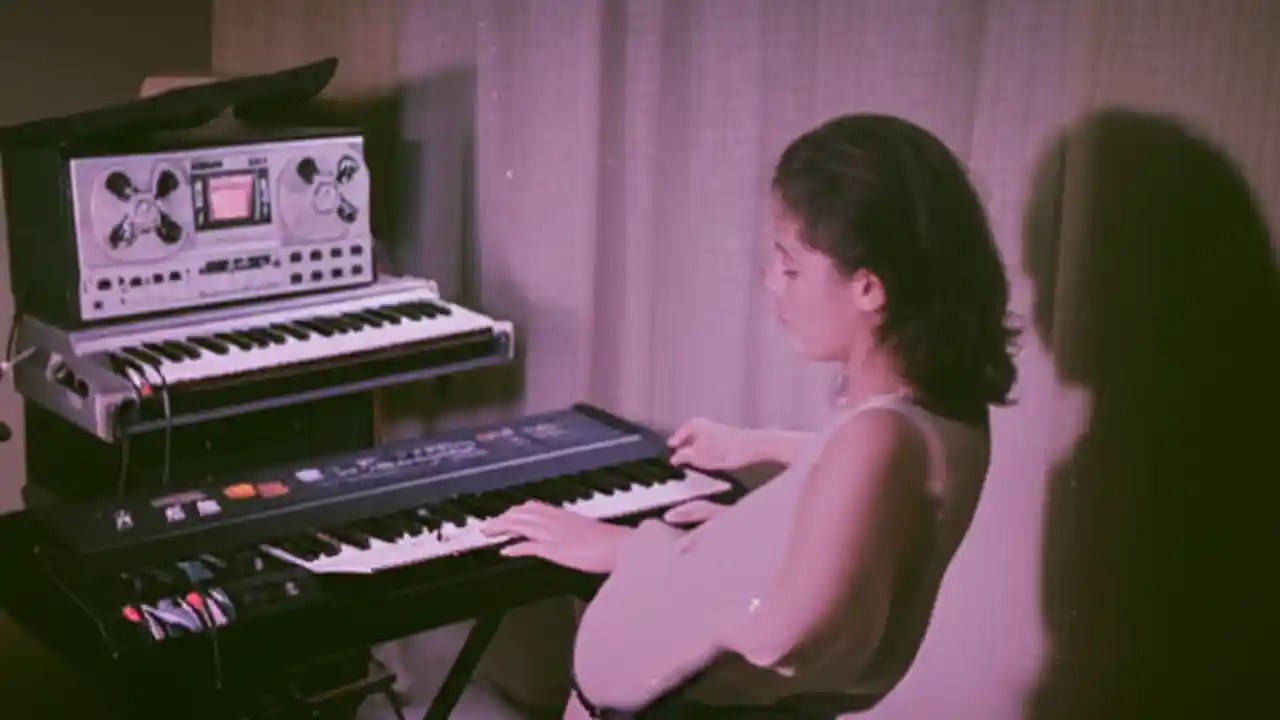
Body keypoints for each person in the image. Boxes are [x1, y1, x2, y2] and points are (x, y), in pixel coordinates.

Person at [481, 113, 1019, 718]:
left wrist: (637, 550)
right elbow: (866, 485)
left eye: (791, 267)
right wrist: (753, 463)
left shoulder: (878, 442)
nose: (771, 284)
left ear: (869, 288)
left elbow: (780, 634)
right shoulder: (942, 416)